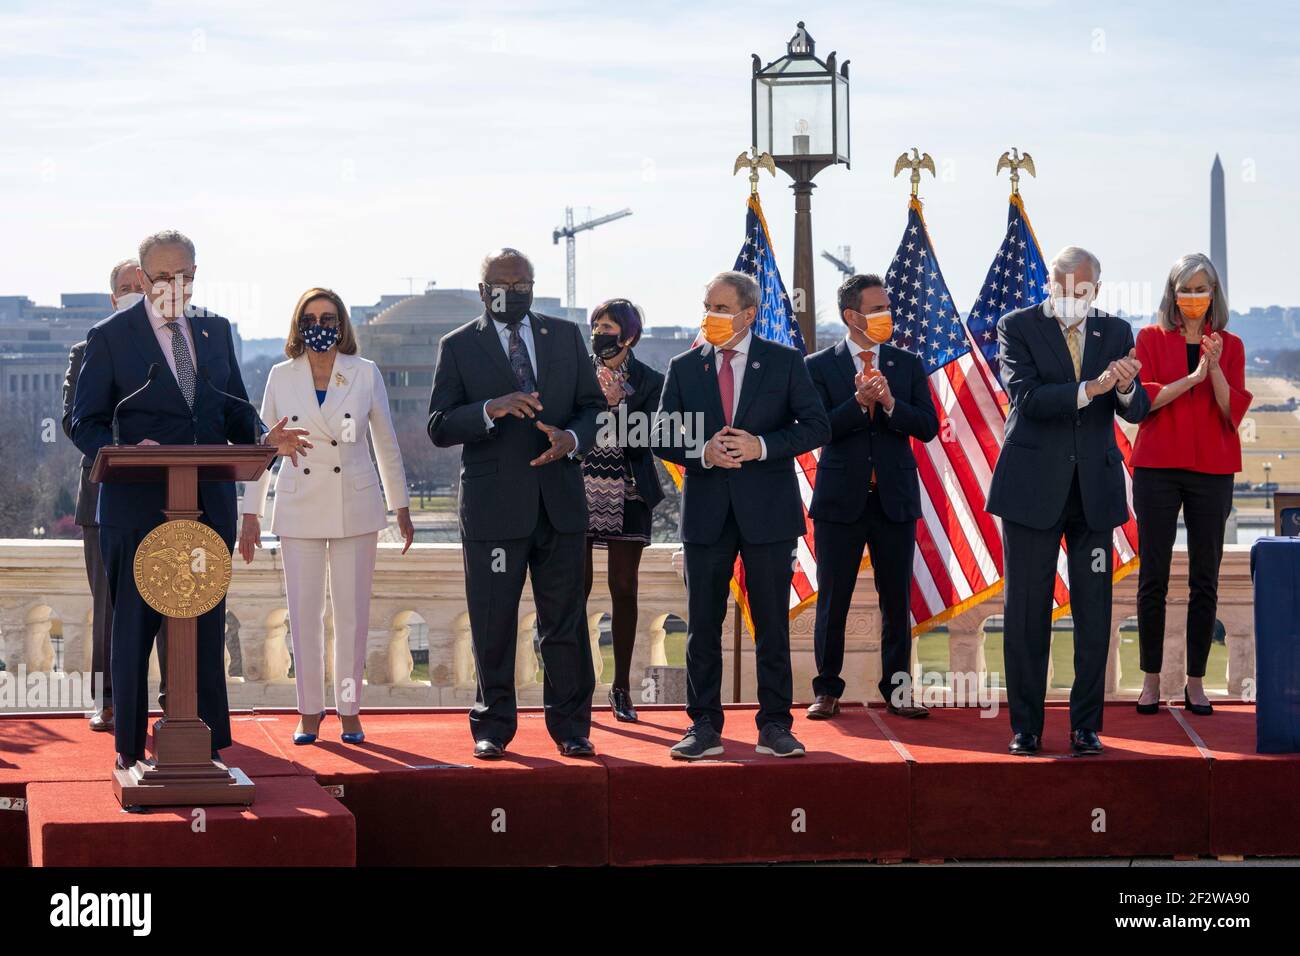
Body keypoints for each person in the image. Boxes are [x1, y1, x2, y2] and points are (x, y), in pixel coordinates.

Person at [70, 230, 309, 774]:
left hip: (206, 504)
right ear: (144, 276)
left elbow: (232, 409)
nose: (175, 287)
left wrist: (263, 436)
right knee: (133, 627)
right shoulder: (109, 337)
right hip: (135, 504)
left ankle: (209, 745)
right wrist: (125, 448)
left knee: (204, 625)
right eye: (163, 278)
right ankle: (129, 749)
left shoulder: (216, 331)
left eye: (186, 276)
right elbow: (82, 421)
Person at [427, 248, 604, 759]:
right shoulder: (458, 346)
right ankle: (493, 727)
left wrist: (572, 438)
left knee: (565, 623)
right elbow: (438, 425)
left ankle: (572, 728)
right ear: (483, 291)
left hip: (561, 505)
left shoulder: (566, 336)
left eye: (522, 281)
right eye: (502, 283)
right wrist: (490, 409)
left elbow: (593, 408)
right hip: (493, 511)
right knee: (493, 622)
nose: (514, 290)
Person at [653, 271, 829, 760]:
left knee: (772, 625)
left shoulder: (784, 362)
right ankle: (703, 726)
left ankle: (775, 725)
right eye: (707, 305)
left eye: (721, 307)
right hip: (707, 515)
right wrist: (703, 450)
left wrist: (762, 446)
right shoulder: (684, 367)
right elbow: (662, 436)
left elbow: (816, 425)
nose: (710, 315)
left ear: (749, 314)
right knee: (702, 626)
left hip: (769, 515)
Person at [986, 246, 1150, 756]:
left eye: (1081, 289)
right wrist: (1091, 387)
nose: (1071, 297)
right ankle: (1027, 727)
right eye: (1062, 287)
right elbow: (1027, 397)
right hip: (1032, 489)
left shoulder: (1117, 332)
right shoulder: (1018, 325)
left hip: (1093, 495)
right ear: (1048, 284)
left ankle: (1085, 726)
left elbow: (1137, 409)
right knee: (1027, 612)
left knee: (1095, 613)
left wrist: (1122, 390)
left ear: (1096, 290)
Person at [238, 288, 415, 745]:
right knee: (304, 614)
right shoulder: (280, 376)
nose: (321, 325)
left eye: (329, 317)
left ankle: (350, 710)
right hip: (299, 506)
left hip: (355, 506)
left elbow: (386, 443)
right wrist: (250, 513)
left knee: (352, 616)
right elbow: (264, 446)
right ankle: (309, 712)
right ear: (299, 324)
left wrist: (402, 506)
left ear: (342, 325)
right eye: (312, 317)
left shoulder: (365, 373)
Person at [805, 274, 939, 719]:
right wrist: (859, 404)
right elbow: (816, 428)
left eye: (888, 307)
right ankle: (827, 689)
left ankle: (898, 690)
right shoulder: (819, 366)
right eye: (877, 308)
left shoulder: (906, 363)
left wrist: (892, 405)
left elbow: (927, 425)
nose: (887, 316)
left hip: (894, 500)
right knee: (833, 598)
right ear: (851, 315)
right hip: (839, 501)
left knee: (896, 599)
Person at [1131, 254, 1250, 717]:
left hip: (1212, 470)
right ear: (1173, 292)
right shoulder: (1149, 338)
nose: (1194, 297)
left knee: (1206, 577)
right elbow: (1145, 400)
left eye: (1203, 288)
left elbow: (1230, 412)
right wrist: (1194, 376)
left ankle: (1196, 682)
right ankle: (1151, 680)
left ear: (1215, 294)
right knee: (1153, 577)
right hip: (1158, 466)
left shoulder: (1232, 346)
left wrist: (1215, 369)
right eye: (1187, 288)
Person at [60, 258, 147, 731]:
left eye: (141, 284)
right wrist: (127, 448)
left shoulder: (177, 348)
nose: (134, 291)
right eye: (126, 287)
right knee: (109, 608)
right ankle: (107, 700)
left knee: (172, 599)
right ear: (113, 298)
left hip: (167, 496)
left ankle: (176, 701)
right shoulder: (88, 347)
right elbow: (77, 418)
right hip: (102, 496)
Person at [582, 298, 664, 722]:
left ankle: (621, 688)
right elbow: (563, 424)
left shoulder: (651, 381)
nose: (600, 332)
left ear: (629, 334)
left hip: (629, 489)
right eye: (596, 325)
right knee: (574, 588)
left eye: (609, 326)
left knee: (624, 588)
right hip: (580, 487)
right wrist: (596, 403)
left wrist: (618, 405)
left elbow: (646, 439)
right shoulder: (577, 372)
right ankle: (576, 683)